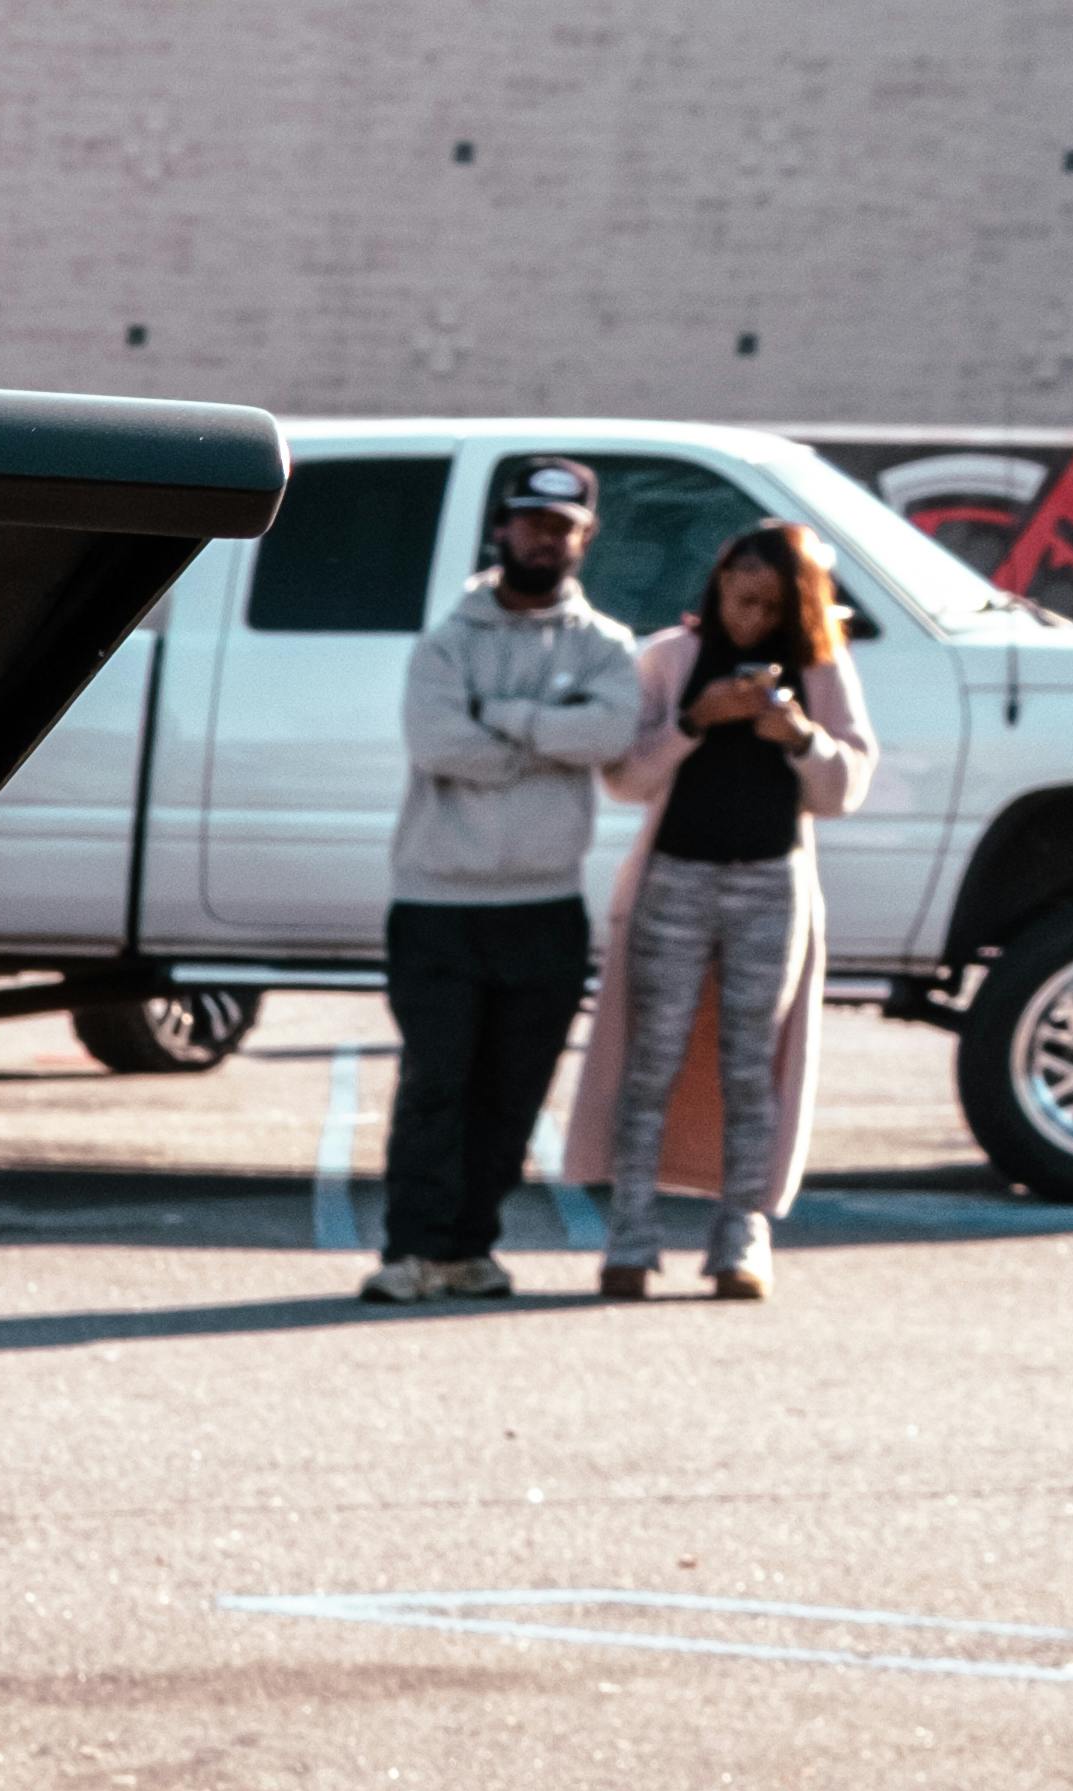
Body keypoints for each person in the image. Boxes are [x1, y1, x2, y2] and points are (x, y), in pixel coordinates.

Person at [364, 455, 642, 1303]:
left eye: (562, 528)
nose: (544, 540)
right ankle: (411, 1252)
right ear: (502, 528)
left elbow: (612, 735)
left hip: (545, 906)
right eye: (531, 522)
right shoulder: (447, 641)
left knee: (512, 1095)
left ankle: (470, 1251)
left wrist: (507, 720)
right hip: (438, 902)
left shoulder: (606, 647)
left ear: (585, 539)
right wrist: (551, 736)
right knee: (435, 1085)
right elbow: (438, 745)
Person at [594, 520, 871, 1300]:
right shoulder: (672, 658)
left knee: (752, 1066)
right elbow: (625, 778)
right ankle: (630, 1234)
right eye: (736, 595)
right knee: (653, 1058)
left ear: (795, 604)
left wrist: (799, 735)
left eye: (766, 603)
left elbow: (847, 787)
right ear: (715, 587)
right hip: (676, 875)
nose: (747, 616)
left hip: (769, 881)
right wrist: (694, 722)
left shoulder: (820, 666)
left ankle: (740, 1236)